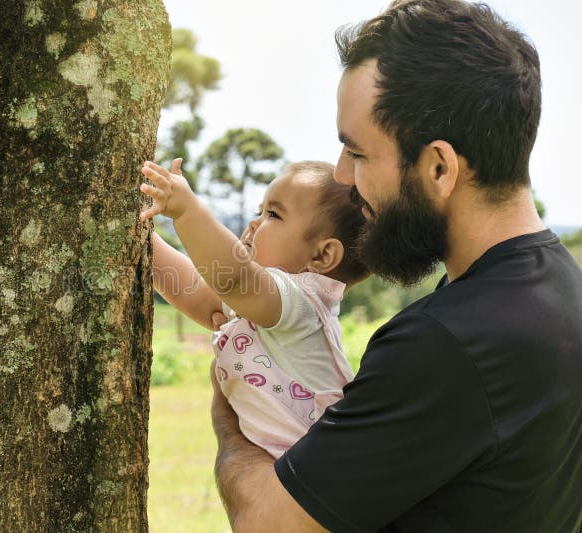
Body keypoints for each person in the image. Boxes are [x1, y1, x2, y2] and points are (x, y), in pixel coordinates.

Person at [208, 1, 582, 532]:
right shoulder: (563, 287)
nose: (342, 175)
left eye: (357, 154)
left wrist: (231, 427)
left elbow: (267, 522)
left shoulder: (446, 343)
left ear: (438, 167)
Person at [140, 160, 367, 458]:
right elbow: (197, 292)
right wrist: (142, 236)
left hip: (325, 476)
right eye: (258, 212)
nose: (254, 224)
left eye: (273, 214)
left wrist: (187, 211)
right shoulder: (265, 303)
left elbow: (235, 278)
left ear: (323, 255)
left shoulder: (302, 302)